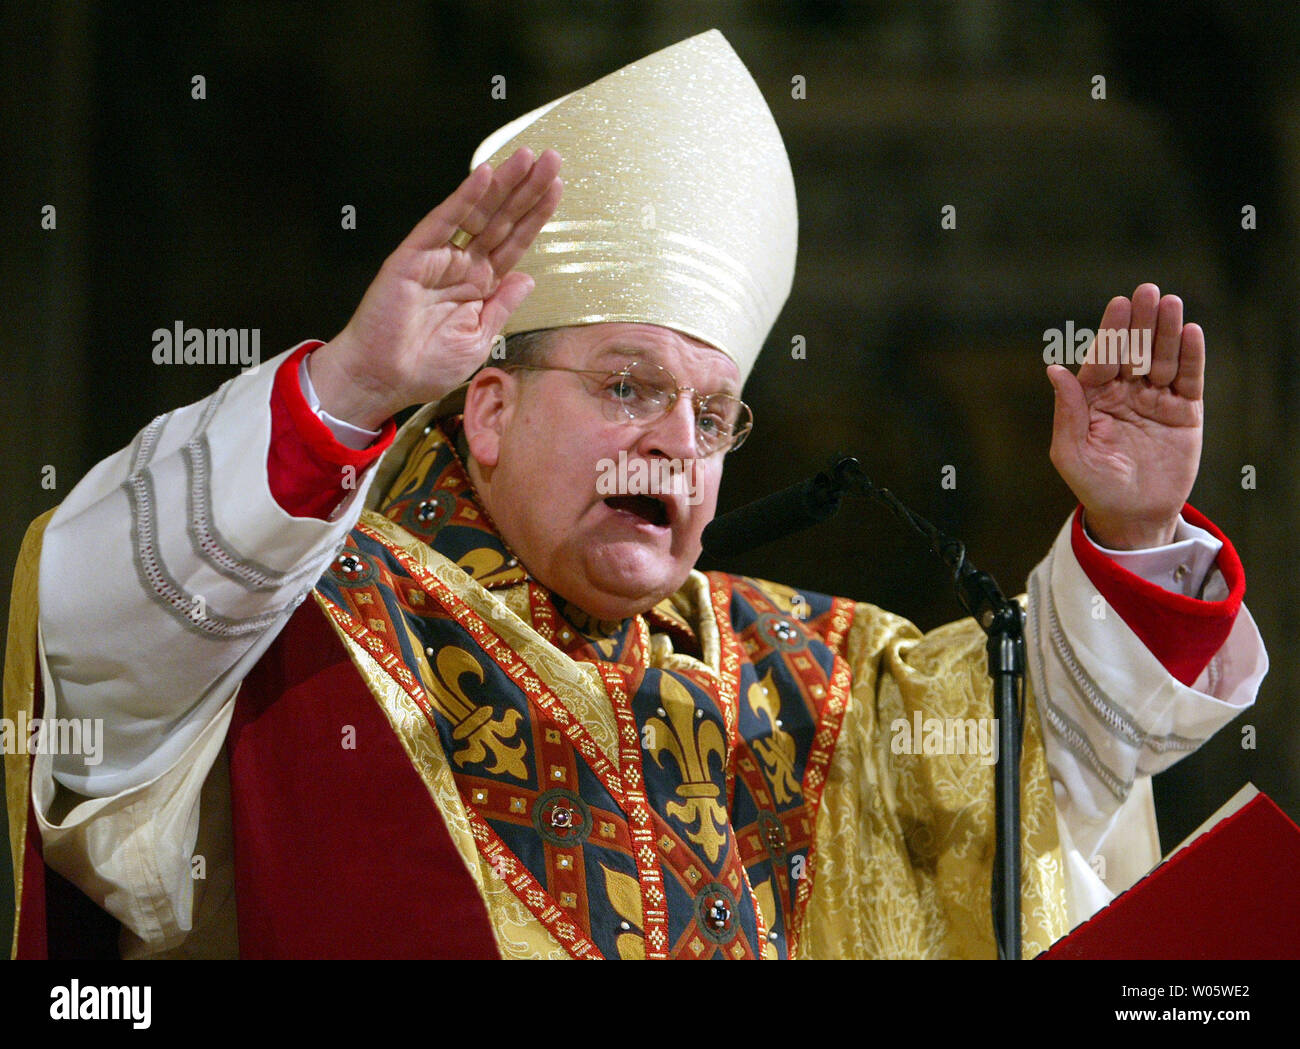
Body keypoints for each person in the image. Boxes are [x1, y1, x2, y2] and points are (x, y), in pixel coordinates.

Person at [6, 30, 1266, 960]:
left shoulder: (808, 683)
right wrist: (352, 381)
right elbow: (89, 630)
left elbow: (1034, 783)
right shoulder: (301, 622)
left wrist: (1130, 533)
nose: (676, 440)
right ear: (488, 409)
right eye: (626, 384)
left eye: (712, 414)